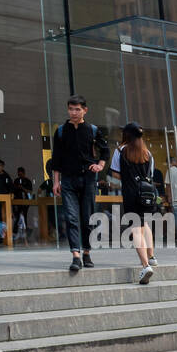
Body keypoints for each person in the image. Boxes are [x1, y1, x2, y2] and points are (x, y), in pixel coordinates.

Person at [49, 94, 109, 273]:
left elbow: (105, 150)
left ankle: (87, 252)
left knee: (87, 218)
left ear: (85, 110)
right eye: (71, 109)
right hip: (67, 180)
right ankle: (75, 255)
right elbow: (56, 159)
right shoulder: (60, 131)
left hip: (88, 180)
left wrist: (99, 165)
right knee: (71, 217)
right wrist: (56, 181)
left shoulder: (92, 130)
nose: (73, 112)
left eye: (77, 109)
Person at [115, 123, 157, 284]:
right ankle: (152, 256)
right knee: (144, 224)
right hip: (146, 195)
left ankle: (145, 266)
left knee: (136, 230)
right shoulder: (148, 154)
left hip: (131, 194)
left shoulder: (120, 151)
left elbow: (115, 173)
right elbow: (150, 175)